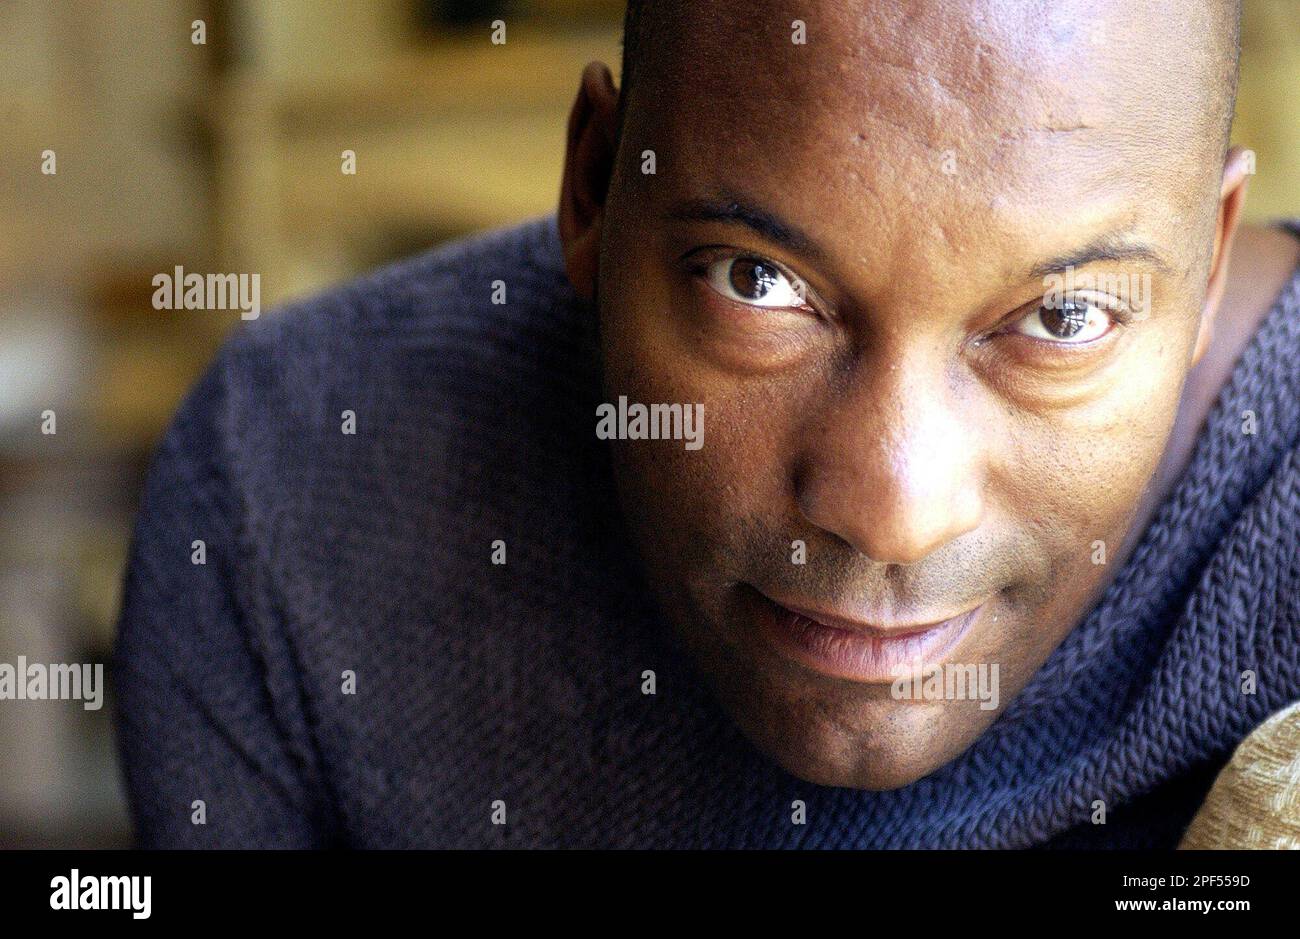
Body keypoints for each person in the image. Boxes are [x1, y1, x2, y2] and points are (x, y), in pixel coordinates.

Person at [115, 0, 1300, 848]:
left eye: (1063, 313)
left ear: (1203, 263)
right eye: (755, 283)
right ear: (592, 185)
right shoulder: (295, 484)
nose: (894, 508)